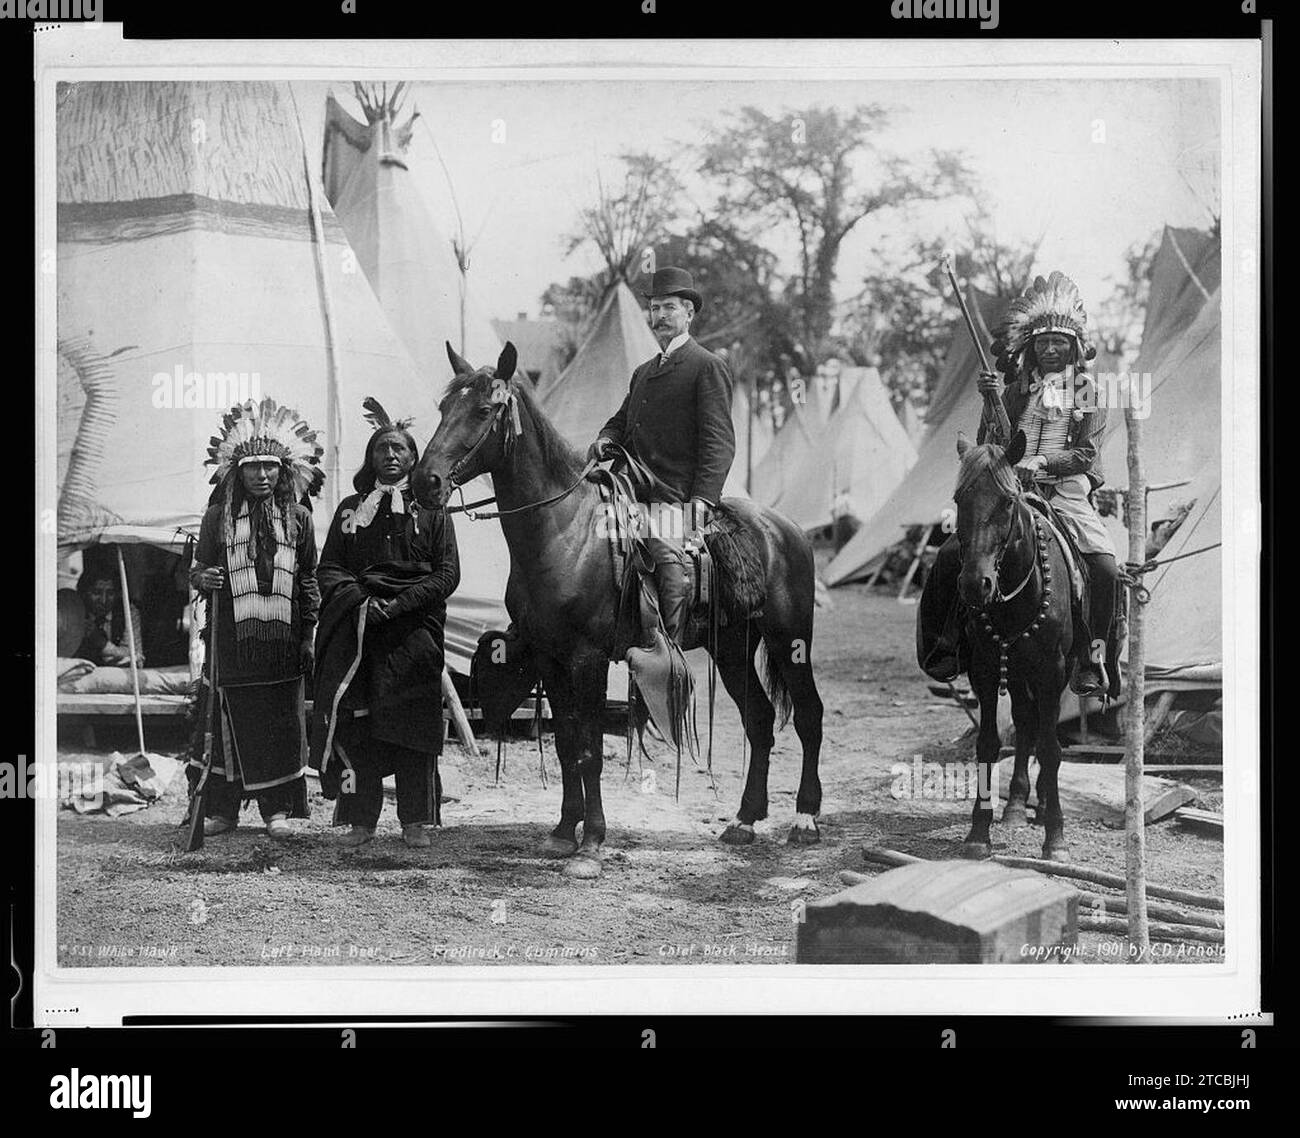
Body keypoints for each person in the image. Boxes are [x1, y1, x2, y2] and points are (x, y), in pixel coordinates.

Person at [918, 271, 1119, 697]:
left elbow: (1086, 454)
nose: (1049, 349)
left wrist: (1043, 460)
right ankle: (949, 647)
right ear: (1030, 347)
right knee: (955, 551)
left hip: (1064, 493)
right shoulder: (1014, 391)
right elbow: (988, 449)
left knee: (1104, 568)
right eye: (1042, 343)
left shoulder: (1087, 390)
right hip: (1010, 493)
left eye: (1059, 342)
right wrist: (990, 401)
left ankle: (1092, 656)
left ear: (1074, 348)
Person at [310, 399, 460, 849]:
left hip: (414, 634)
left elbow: (447, 574)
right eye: (382, 448)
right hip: (361, 634)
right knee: (360, 727)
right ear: (371, 458)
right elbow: (329, 568)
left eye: (400, 449)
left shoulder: (433, 513)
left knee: (414, 727)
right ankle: (360, 821)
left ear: (415, 460)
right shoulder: (349, 510)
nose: (391, 455)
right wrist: (362, 602)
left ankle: (416, 821)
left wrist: (397, 606)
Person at [188, 397, 323, 839]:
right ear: (236, 471)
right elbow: (197, 567)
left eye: (270, 466)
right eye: (252, 466)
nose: (261, 475)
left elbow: (308, 581)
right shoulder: (215, 519)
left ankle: (276, 811)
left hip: (282, 644)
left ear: (284, 470)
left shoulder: (300, 519)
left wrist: (308, 637)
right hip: (231, 640)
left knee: (279, 723)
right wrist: (202, 576)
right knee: (224, 718)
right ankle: (223, 812)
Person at [586, 267, 736, 647]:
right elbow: (621, 422)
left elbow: (719, 443)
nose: (659, 317)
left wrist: (701, 502)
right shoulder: (643, 372)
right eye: (654, 309)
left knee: (667, 555)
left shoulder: (706, 366)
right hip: (626, 490)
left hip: (673, 497)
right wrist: (605, 439)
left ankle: (668, 649)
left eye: (669, 307)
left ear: (689, 312)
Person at [74, 569, 144, 667]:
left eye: (110, 593)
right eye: (96, 592)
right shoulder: (73, 613)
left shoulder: (127, 611)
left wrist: (101, 643)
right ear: (84, 593)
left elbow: (136, 655)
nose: (103, 600)